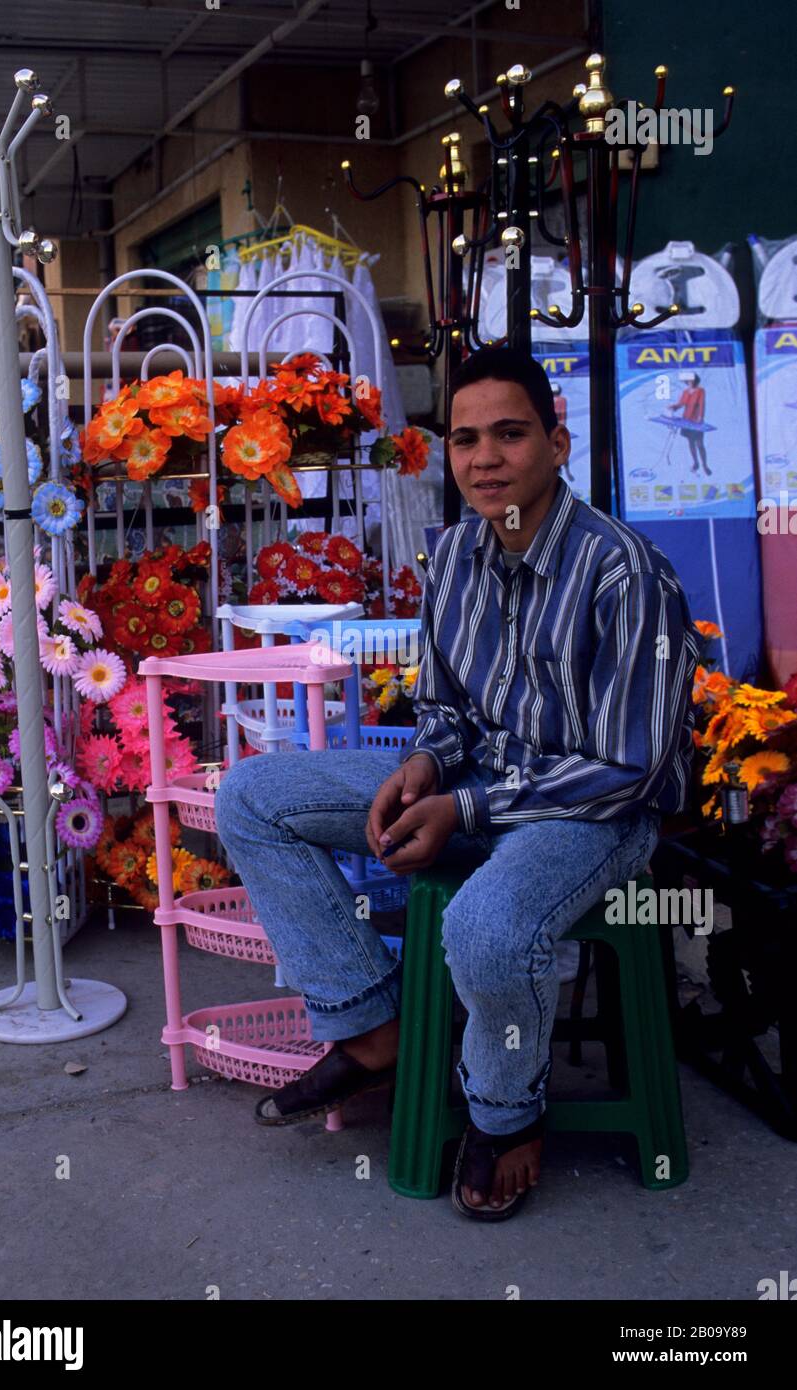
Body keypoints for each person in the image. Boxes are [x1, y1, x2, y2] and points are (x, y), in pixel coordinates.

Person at [214, 347, 700, 1222]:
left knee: (481, 927)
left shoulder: (626, 573)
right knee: (251, 795)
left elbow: (630, 766)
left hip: (591, 815)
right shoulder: (454, 558)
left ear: (556, 442)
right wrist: (422, 766)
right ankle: (373, 1030)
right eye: (464, 438)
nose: (483, 459)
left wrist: (463, 804)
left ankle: (506, 1116)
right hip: (475, 784)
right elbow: (444, 709)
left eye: (508, 435)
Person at [667, 370, 710, 476]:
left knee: (700, 444)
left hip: (696, 420)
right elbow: (681, 403)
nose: (689, 382)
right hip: (686, 419)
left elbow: (701, 404)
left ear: (695, 380)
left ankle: (705, 465)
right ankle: (696, 463)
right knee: (690, 442)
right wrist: (673, 407)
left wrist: (700, 417)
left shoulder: (700, 391)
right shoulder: (685, 392)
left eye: (691, 380)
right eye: (688, 380)